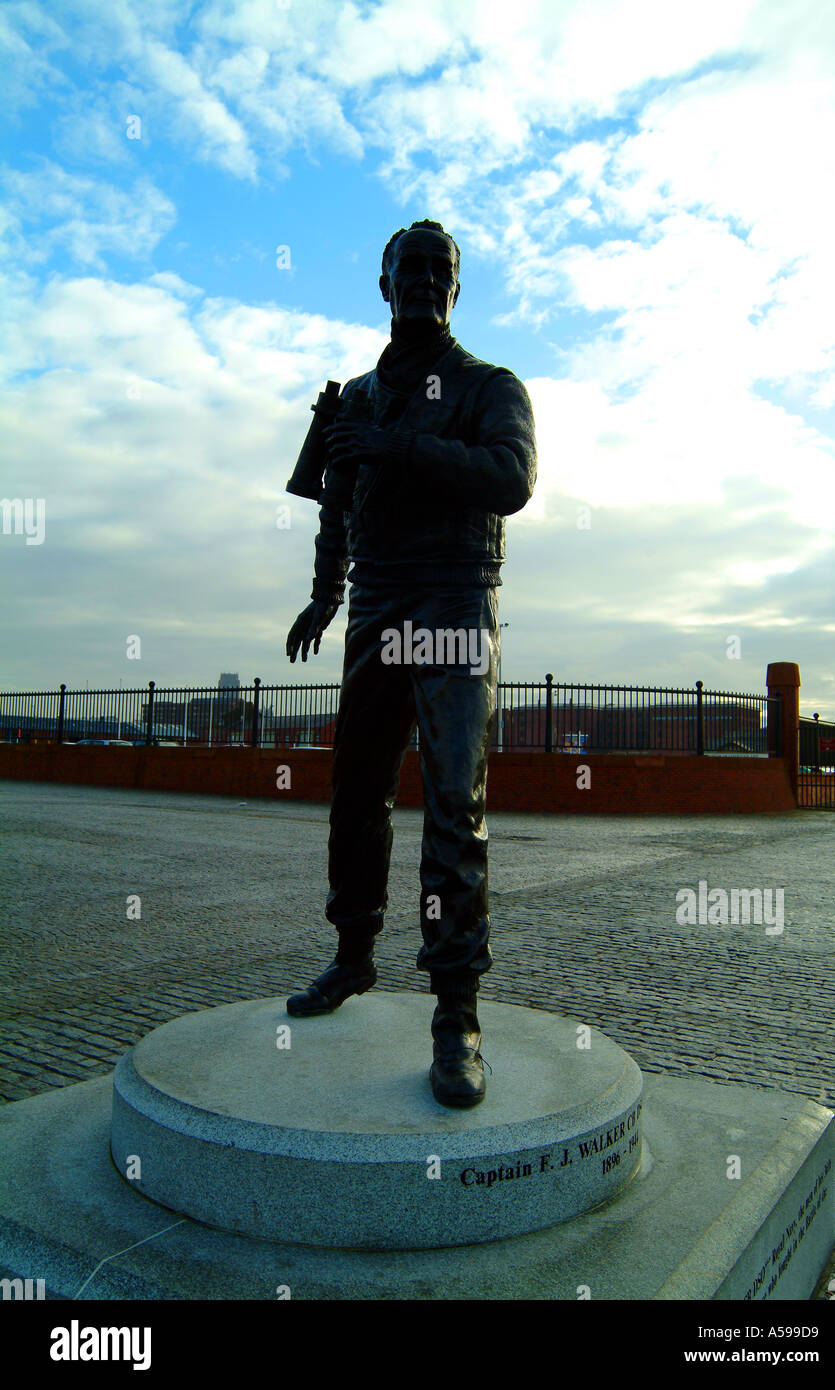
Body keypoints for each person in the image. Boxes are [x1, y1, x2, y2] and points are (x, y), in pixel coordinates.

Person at [285, 219, 537, 1107]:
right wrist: (326, 594)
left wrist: (404, 448)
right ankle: (353, 955)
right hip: (379, 599)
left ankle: (456, 1012)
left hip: (455, 599)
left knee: (452, 802)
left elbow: (510, 478)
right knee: (355, 787)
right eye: (411, 269)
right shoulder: (351, 397)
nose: (427, 281)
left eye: (443, 270)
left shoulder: (488, 385)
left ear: (456, 289)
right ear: (383, 283)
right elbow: (331, 506)